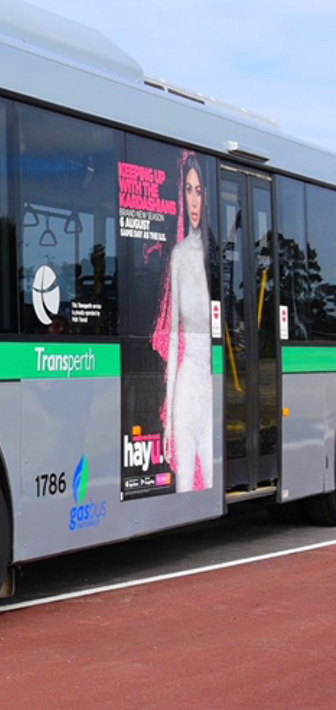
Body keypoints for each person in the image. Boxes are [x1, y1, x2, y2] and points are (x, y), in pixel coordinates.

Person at [153, 152, 213, 492]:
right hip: (188, 383)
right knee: (186, 488)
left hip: (211, 383)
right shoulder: (179, 256)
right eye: (188, 190)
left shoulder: (216, 256)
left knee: (210, 481)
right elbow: (175, 338)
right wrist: (171, 417)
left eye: (199, 190)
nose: (194, 199)